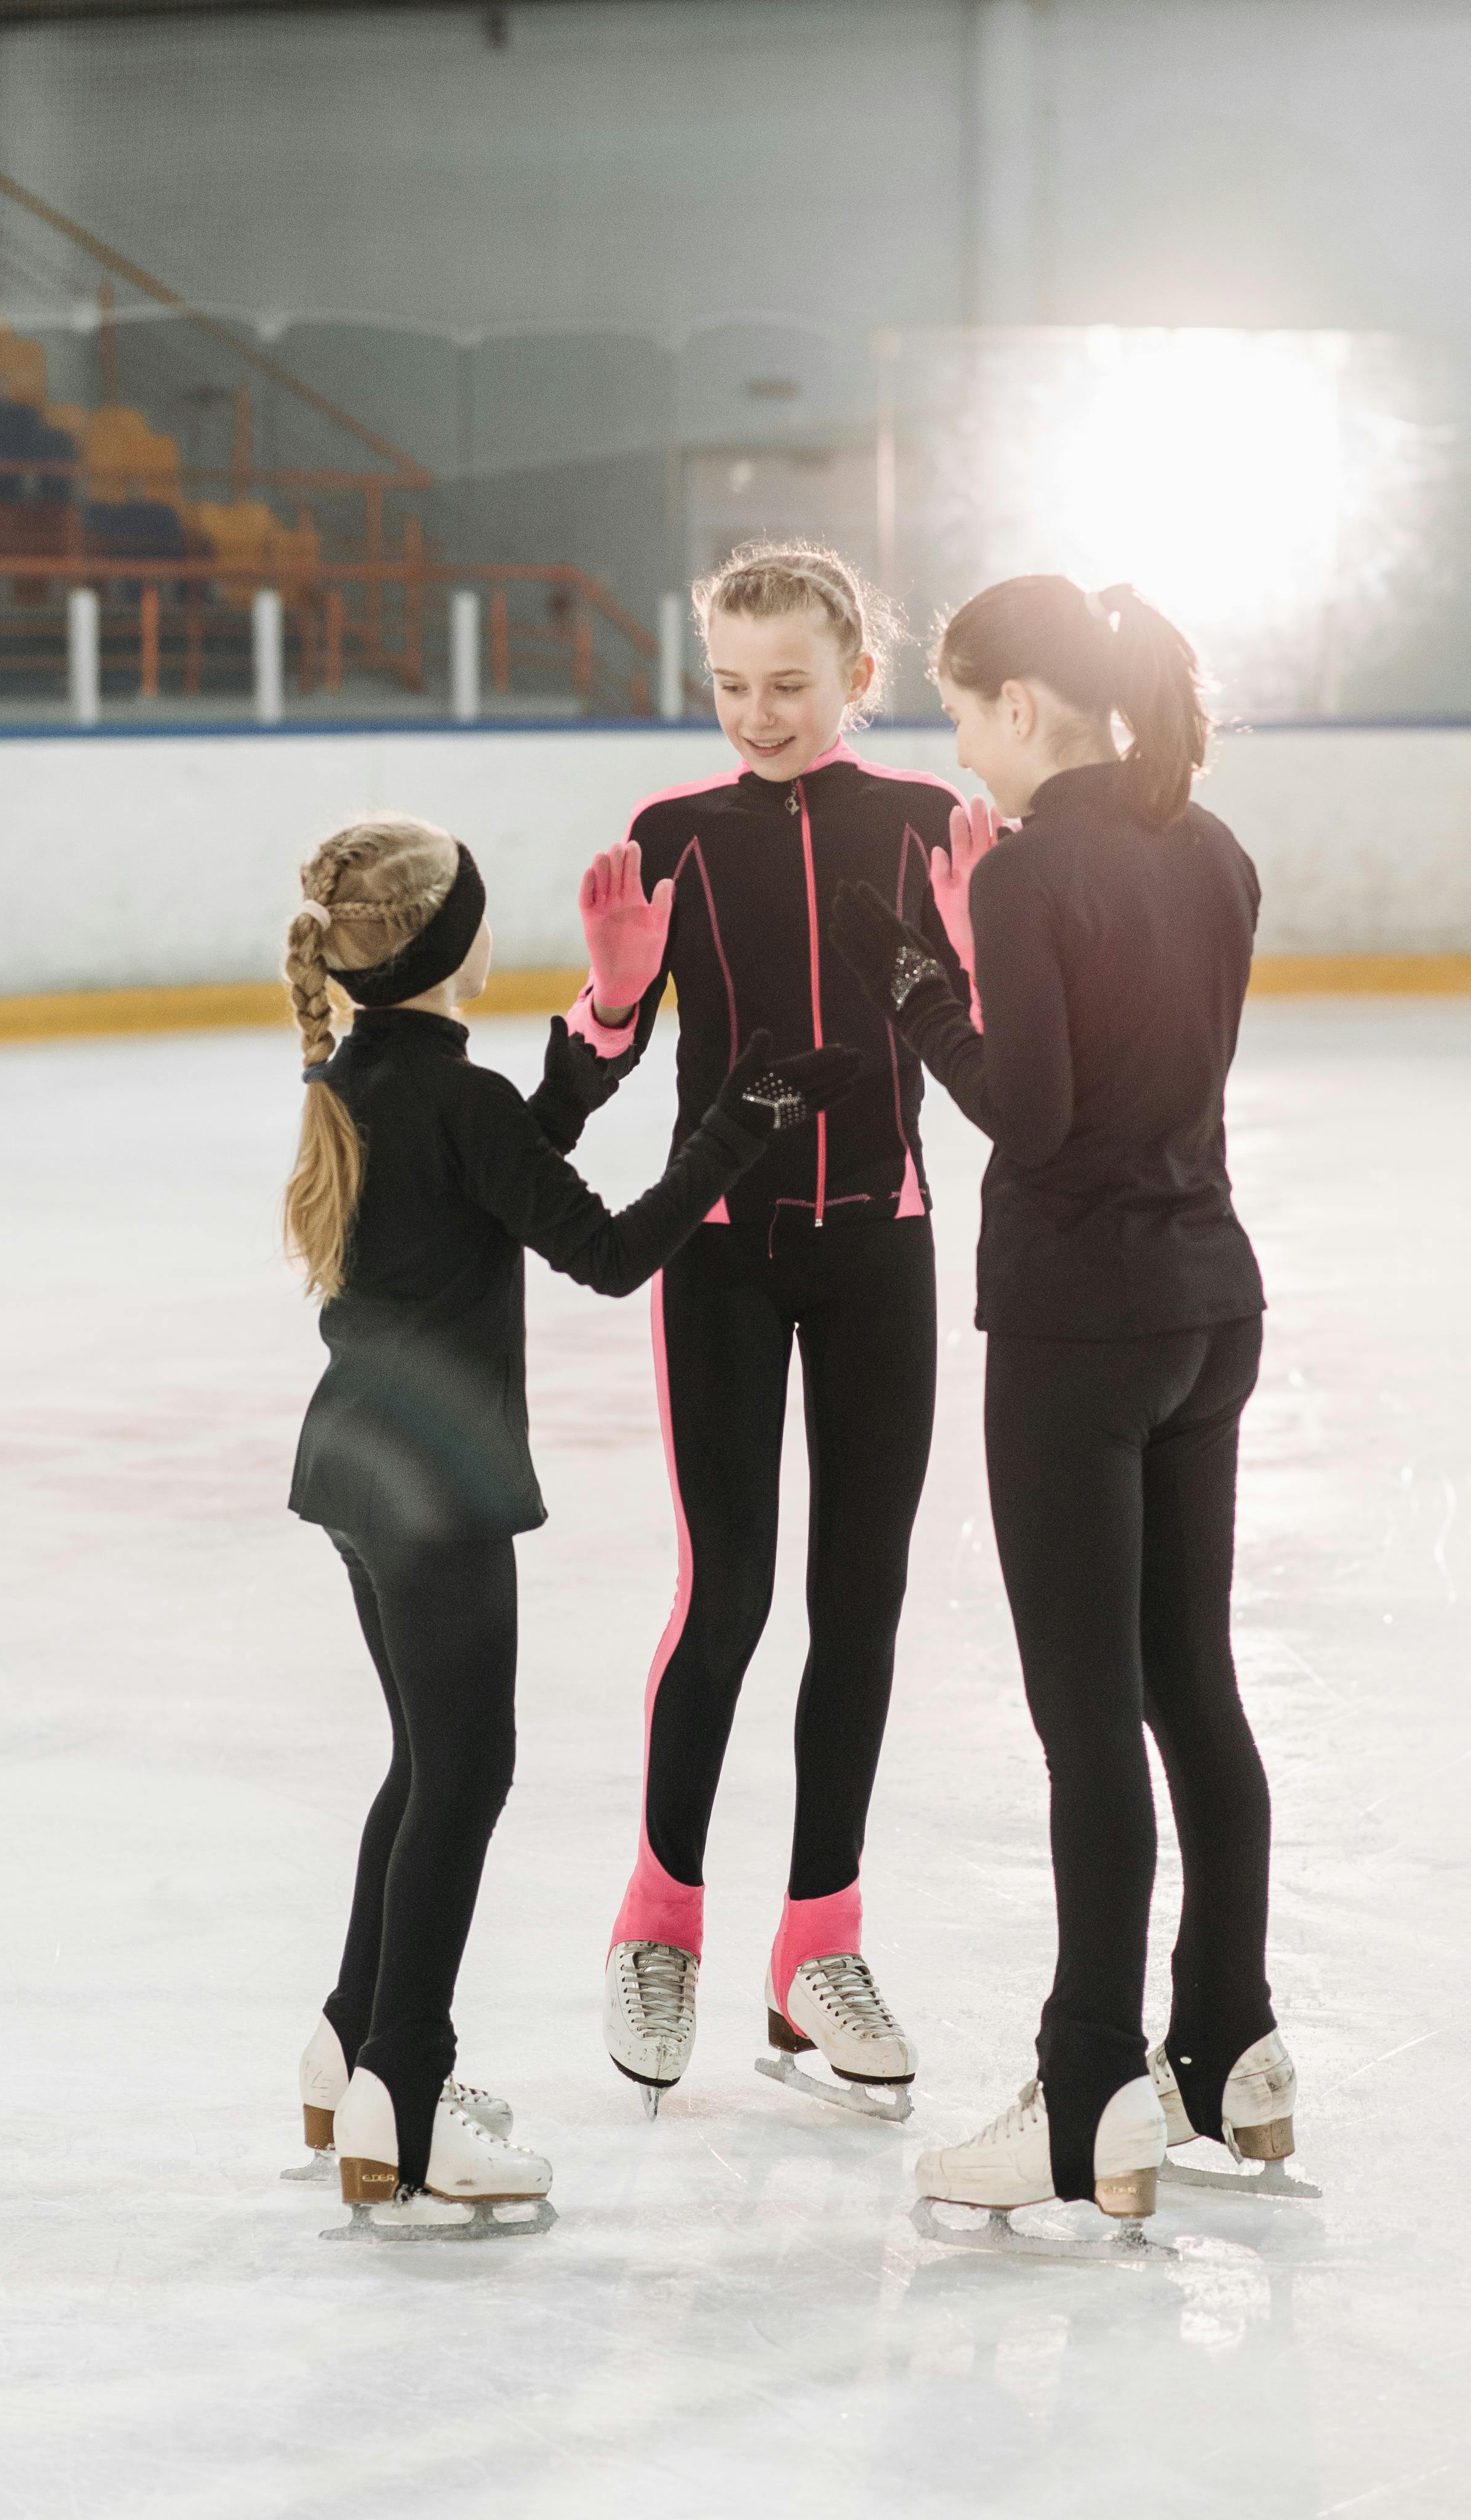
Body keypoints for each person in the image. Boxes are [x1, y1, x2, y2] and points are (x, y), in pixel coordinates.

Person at [279, 810, 859, 2228]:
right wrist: (741, 1126)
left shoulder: (361, 1076)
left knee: (424, 1766)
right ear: (455, 945)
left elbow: (501, 1172)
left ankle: (352, 2044)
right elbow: (604, 1253)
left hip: (358, 1470)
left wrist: (592, 1067)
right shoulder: (450, 1098)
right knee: (465, 1777)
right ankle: (405, 2103)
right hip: (438, 1492)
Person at [832, 574, 1298, 2233]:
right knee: (1192, 1687)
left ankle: (1088, 2080)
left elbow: (1024, 1115)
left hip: (1077, 1329)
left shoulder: (1033, 869)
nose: (954, 742)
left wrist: (920, 990)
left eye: (960, 710)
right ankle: (1229, 2039)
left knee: (1088, 1714)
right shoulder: (1215, 848)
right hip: (1207, 1303)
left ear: (1023, 704)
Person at [571, 541, 972, 2116]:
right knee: (726, 1593)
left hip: (884, 1246)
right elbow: (595, 1076)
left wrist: (984, 968)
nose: (758, 714)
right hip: (722, 1252)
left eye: (790, 686)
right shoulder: (669, 838)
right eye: (731, 686)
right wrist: (613, 1000)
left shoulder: (930, 827)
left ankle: (819, 1941)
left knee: (859, 1601)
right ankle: (659, 1919)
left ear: (856, 680)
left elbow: (987, 1046)